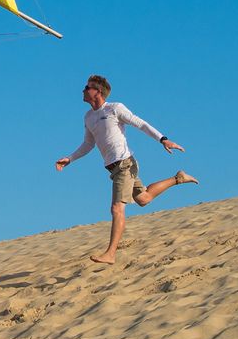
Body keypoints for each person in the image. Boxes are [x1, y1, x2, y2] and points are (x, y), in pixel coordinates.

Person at [55, 75, 199, 265]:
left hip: (125, 164)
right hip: (113, 168)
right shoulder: (89, 117)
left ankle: (110, 254)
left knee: (117, 208)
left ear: (98, 92)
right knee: (143, 198)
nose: (83, 90)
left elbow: (140, 123)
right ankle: (178, 178)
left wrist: (163, 139)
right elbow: (88, 144)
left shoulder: (115, 108)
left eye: (87, 87)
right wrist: (70, 158)